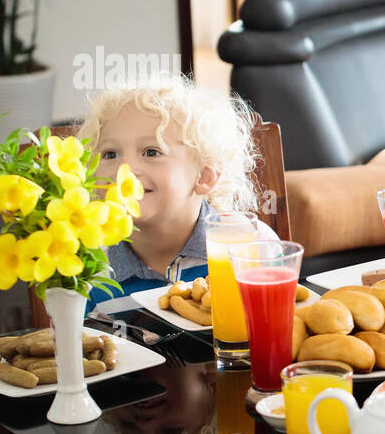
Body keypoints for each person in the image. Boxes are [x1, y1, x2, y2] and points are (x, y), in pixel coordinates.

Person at [79, 79, 260, 304]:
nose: (124, 170)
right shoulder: (85, 265)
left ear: (204, 175)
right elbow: (72, 339)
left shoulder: (248, 245)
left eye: (151, 152)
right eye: (110, 154)